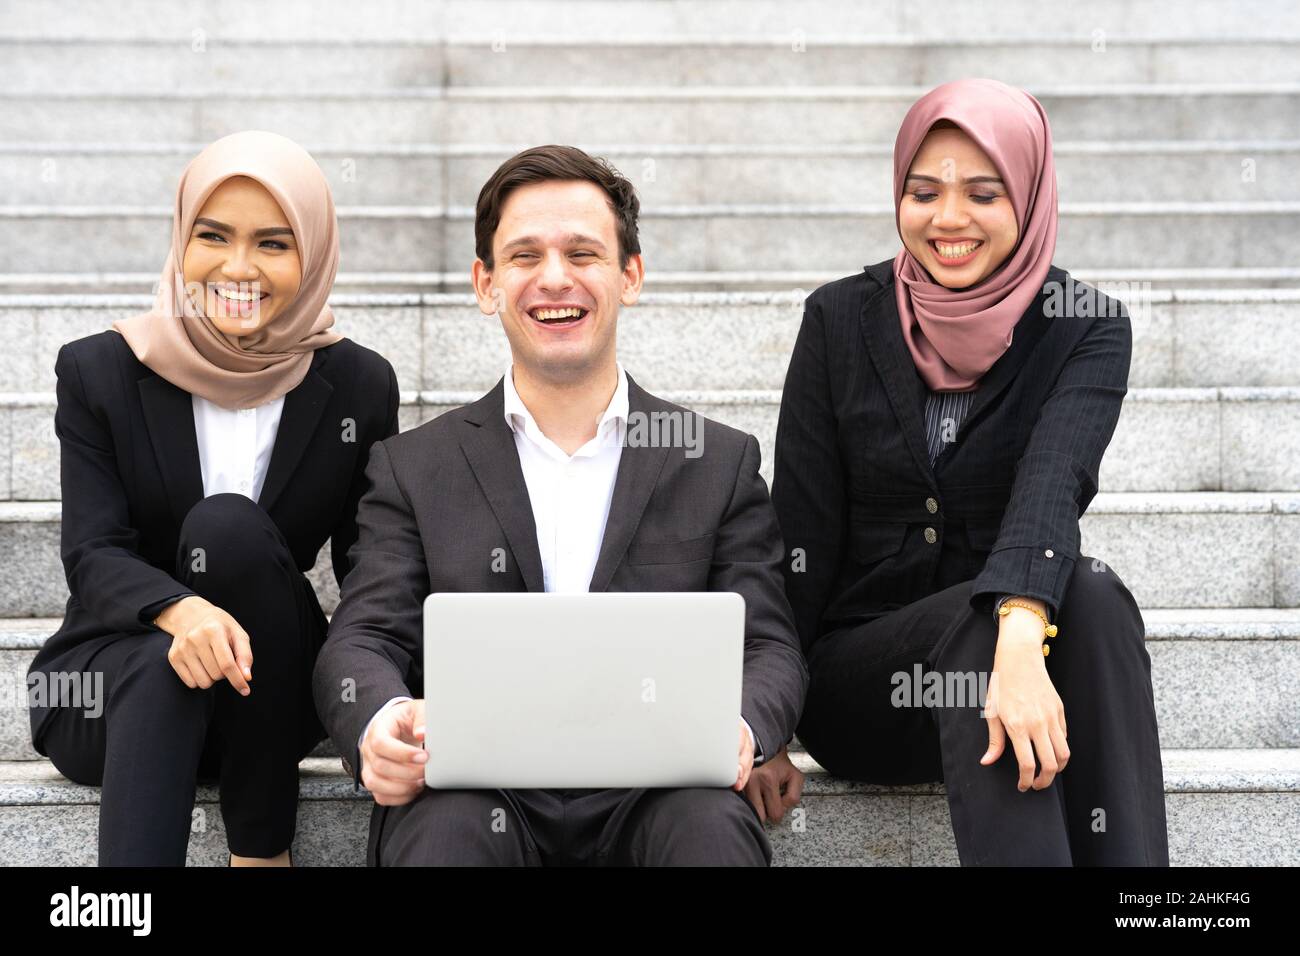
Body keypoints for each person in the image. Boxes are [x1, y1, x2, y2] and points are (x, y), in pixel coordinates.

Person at [312, 144, 808, 866]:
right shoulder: (412, 467)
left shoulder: (719, 461)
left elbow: (768, 645)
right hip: (476, 790)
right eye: (523, 256)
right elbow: (361, 639)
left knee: (710, 834)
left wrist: (743, 729)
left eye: (583, 252)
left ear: (629, 275)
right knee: (442, 839)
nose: (553, 278)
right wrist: (381, 724)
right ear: (485, 284)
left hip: (659, 788)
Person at [762, 79, 1169, 865]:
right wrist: (762, 726)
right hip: (868, 688)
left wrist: (1019, 634)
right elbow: (797, 543)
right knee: (1010, 616)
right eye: (924, 192)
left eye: (983, 193)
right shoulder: (839, 319)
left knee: (1093, 590)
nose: (948, 219)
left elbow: (1055, 483)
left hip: (1013, 665)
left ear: (1029, 193)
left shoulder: (1084, 327)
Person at [27, 130, 400, 866]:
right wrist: (180, 611)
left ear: (314, 253)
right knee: (167, 665)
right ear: (181, 238)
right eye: (213, 236)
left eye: (272, 243)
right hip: (108, 686)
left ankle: (260, 852)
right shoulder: (100, 372)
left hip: (268, 693)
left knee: (226, 527)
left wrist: (391, 700)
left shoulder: (358, 386)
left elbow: (371, 572)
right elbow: (94, 554)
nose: (237, 267)